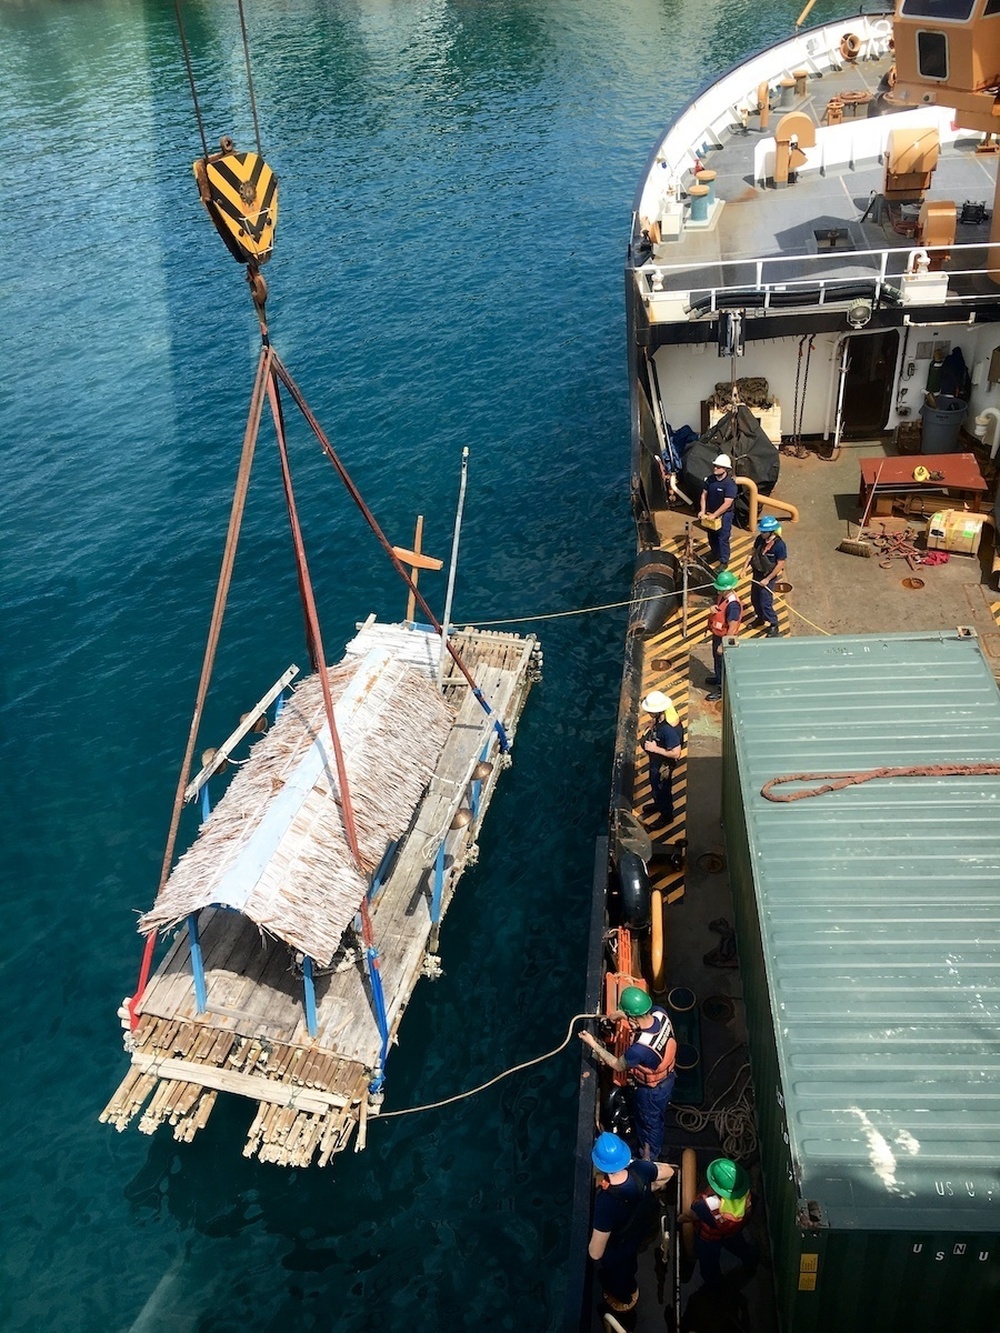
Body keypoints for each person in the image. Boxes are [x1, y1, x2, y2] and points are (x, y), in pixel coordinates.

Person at [588, 1131, 676, 1325]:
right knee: (630, 1263)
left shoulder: (605, 1203)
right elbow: (669, 1172)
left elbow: (595, 1253)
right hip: (639, 1231)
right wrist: (648, 1188)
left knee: (619, 1278)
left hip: (618, 1248)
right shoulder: (640, 1169)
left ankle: (625, 1299)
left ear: (601, 1165)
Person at [579, 986, 678, 1159]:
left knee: (649, 1124)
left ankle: (649, 1156)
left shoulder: (639, 1049)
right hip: (668, 1079)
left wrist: (593, 1044)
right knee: (655, 1116)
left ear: (632, 1018)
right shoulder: (660, 1013)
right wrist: (621, 1015)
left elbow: (617, 1065)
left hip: (651, 1092)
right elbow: (643, 1017)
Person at [678, 1157, 758, 1288]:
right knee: (742, 1249)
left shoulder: (706, 1205)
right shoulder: (745, 1194)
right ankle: (752, 1263)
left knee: (709, 1266)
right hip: (733, 1231)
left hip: (709, 1240)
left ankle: (714, 1287)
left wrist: (679, 1219)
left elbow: (688, 1217)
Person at [640, 690, 684, 827]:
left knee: (662, 788)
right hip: (656, 762)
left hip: (663, 764)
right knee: (655, 785)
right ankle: (658, 804)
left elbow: (676, 753)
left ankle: (666, 815)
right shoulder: (662, 719)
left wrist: (655, 749)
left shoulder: (668, 730)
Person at [742, 515, 786, 638]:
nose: (761, 533)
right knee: (755, 599)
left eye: (764, 532)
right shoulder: (759, 540)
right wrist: (744, 569)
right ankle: (760, 618)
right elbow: (752, 553)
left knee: (765, 602)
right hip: (757, 573)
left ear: (771, 532)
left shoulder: (780, 545)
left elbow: (780, 564)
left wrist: (768, 579)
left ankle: (773, 624)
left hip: (768, 576)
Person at [706, 569, 743, 702]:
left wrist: (723, 645)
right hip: (718, 634)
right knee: (717, 661)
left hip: (725, 638)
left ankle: (722, 689)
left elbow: (732, 627)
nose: (718, 591)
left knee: (723, 665)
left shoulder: (733, 606)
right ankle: (718, 678)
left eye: (720, 589)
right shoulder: (724, 597)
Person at [699, 453, 738, 566]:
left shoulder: (729, 484)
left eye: (718, 467)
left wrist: (715, 515)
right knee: (712, 535)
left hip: (724, 515)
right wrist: (702, 510)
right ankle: (714, 553)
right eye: (715, 466)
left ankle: (724, 560)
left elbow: (727, 504)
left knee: (722, 537)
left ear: (725, 469)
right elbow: (704, 495)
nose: (715, 468)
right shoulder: (710, 479)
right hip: (710, 512)